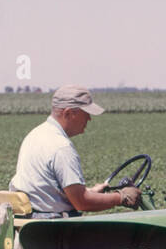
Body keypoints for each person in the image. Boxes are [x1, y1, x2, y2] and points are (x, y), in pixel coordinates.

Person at [8, 86, 140, 218]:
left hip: (33, 220)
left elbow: (45, 188)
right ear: (69, 113)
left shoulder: (35, 134)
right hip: (53, 227)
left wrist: (90, 191)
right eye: (85, 113)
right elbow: (82, 203)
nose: (89, 118)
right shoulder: (61, 147)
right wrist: (121, 197)